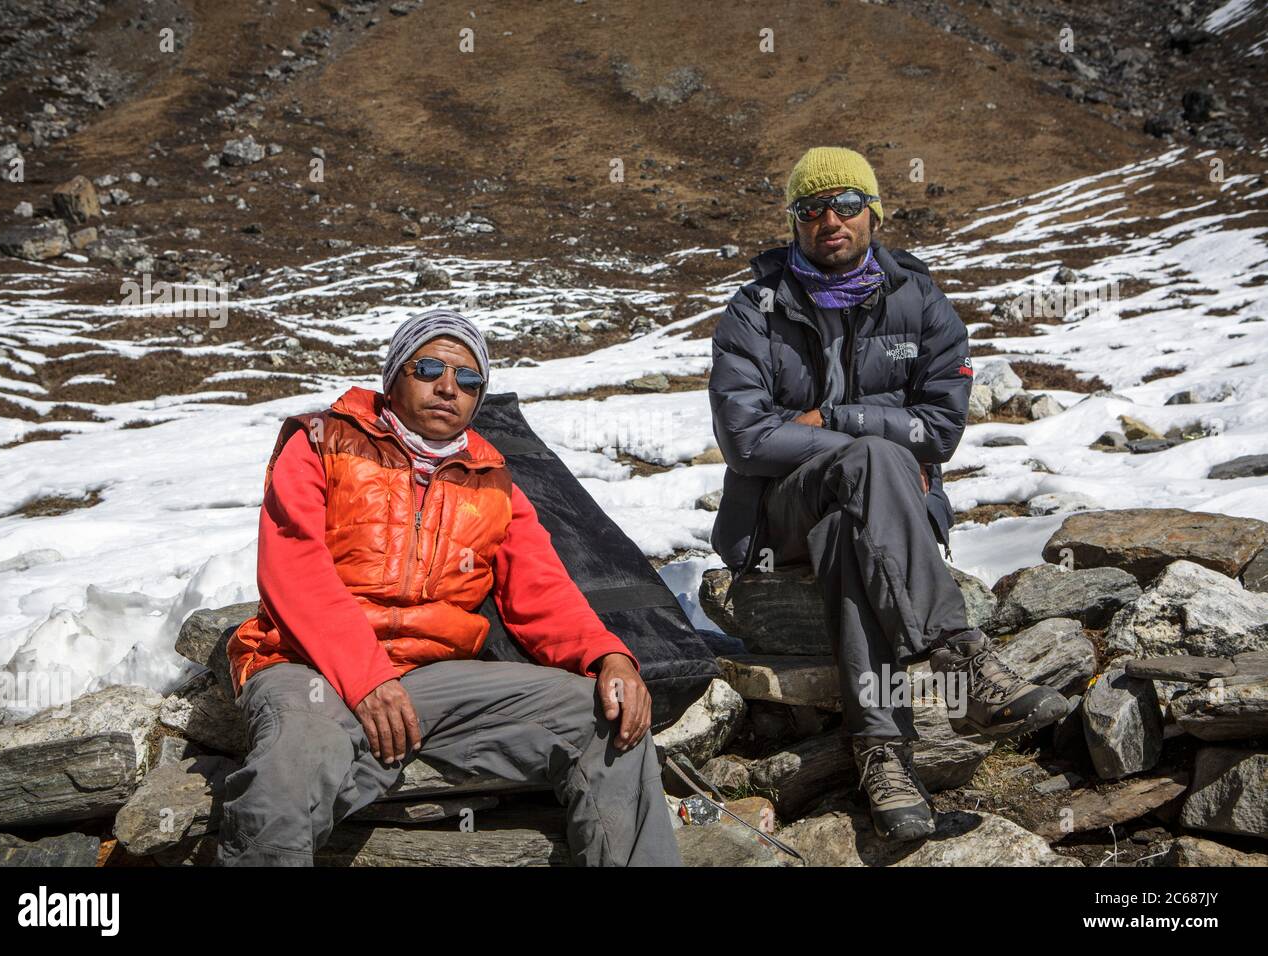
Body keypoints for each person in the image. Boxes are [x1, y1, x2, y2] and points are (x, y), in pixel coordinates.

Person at [216, 308, 682, 867]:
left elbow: (542, 590)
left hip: (430, 681)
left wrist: (609, 657)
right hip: (307, 666)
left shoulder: (492, 479)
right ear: (393, 377)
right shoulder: (322, 440)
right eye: (430, 367)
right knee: (293, 760)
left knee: (605, 721)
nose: (448, 386)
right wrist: (365, 680)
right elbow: (295, 569)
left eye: (468, 379)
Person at [708, 147, 1068, 843]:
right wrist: (870, 443)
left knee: (850, 532)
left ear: (873, 210)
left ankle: (885, 760)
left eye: (845, 203)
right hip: (781, 509)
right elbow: (747, 439)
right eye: (810, 208)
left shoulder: (919, 299)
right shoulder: (755, 308)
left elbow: (940, 429)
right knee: (874, 461)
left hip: (867, 512)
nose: (828, 219)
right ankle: (961, 656)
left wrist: (839, 422)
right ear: (795, 223)